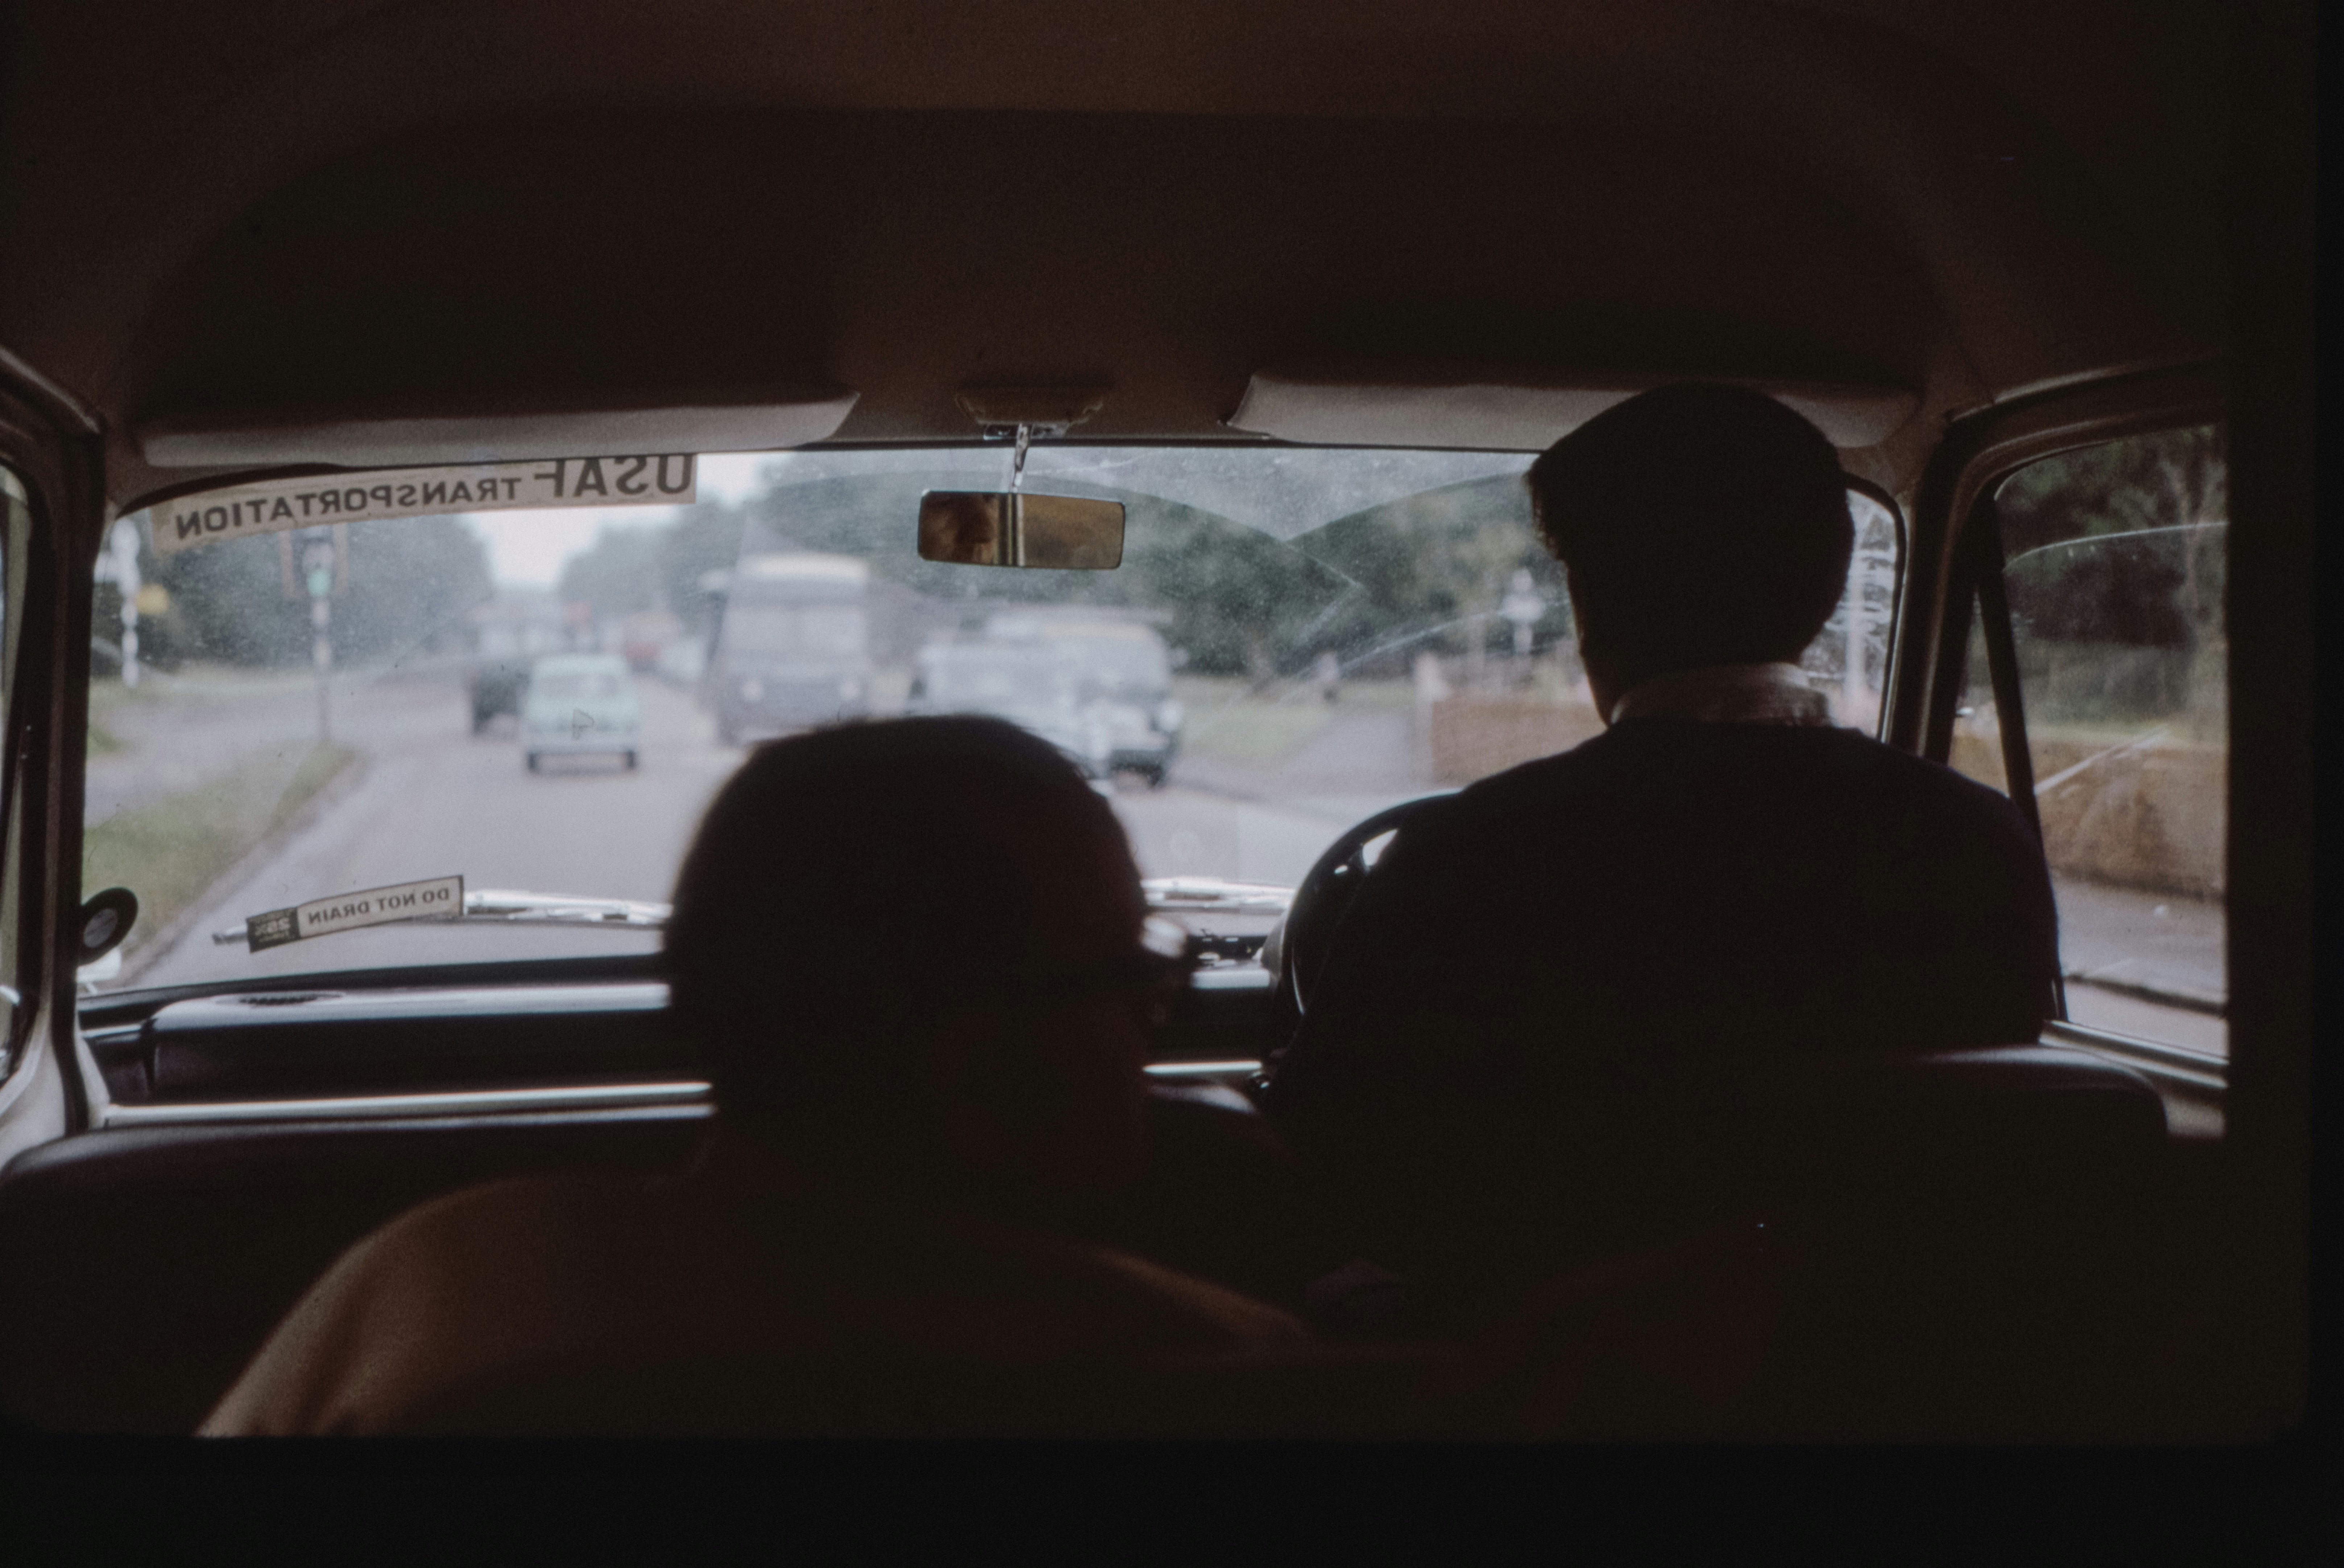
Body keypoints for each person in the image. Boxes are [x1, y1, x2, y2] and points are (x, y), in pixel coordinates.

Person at [201, 717, 1306, 1436]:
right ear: (972, 1071)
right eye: (1138, 982)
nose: (1153, 1029)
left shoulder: (434, 1291)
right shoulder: (1231, 1385)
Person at [1262, 384, 2061, 1332]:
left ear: (1589, 600)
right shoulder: (1976, 842)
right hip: (1883, 1360)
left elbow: (1331, 1159)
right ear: (1821, 586)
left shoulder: (1473, 853)